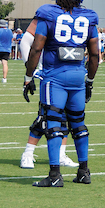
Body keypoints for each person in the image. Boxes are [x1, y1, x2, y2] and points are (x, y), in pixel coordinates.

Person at [23, 0, 100, 187]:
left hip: (54, 76)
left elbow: (36, 47)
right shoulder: (89, 17)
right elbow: (94, 56)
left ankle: (55, 175)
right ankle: (84, 171)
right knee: (78, 123)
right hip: (77, 75)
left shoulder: (47, 14)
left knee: (53, 124)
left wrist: (28, 76)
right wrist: (90, 80)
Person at [18, 16, 78, 171]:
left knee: (66, 116)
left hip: (69, 72)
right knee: (46, 115)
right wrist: (30, 72)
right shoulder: (47, 14)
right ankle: (28, 153)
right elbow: (25, 41)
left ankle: (61, 155)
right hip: (50, 73)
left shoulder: (79, 16)